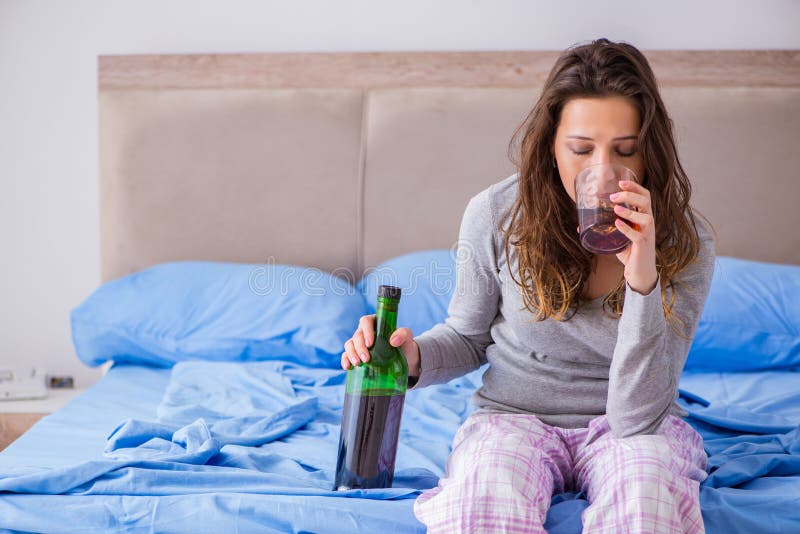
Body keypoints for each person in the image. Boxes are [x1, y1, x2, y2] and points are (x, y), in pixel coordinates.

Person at [341, 38, 714, 534]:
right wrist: (411, 358)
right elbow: (468, 337)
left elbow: (636, 419)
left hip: (635, 427)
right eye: (581, 149)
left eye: (626, 150)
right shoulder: (496, 215)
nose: (603, 173)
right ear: (551, 147)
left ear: (650, 152)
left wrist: (643, 279)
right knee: (480, 507)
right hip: (513, 418)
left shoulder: (685, 241)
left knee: (646, 505)